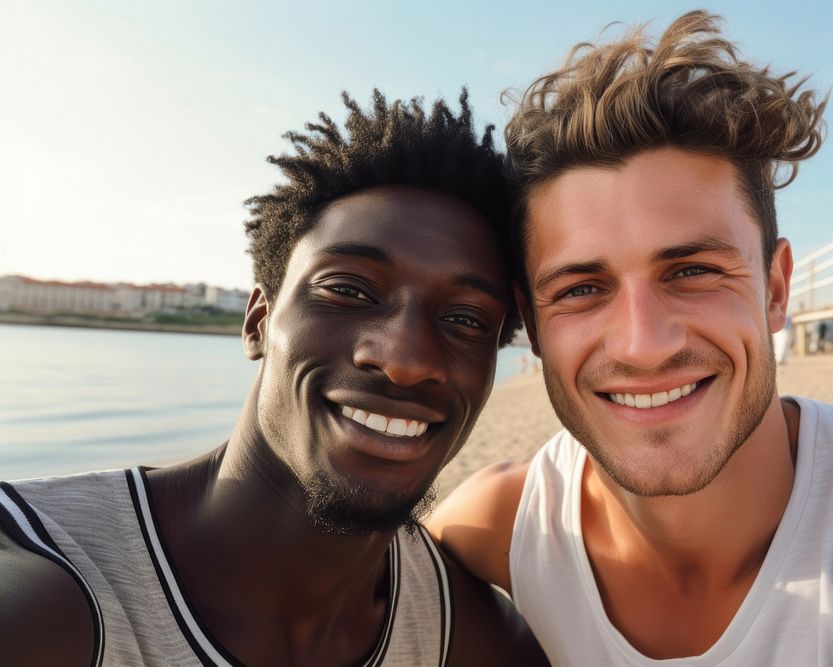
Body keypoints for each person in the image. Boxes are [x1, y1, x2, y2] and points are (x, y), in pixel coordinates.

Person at [429, 11, 833, 666]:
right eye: (582, 289)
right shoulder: (503, 526)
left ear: (775, 289)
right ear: (532, 326)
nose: (643, 344)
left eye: (693, 271)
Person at [0, 90, 545, 666]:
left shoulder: (468, 634)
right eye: (347, 290)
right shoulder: (45, 589)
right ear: (258, 322)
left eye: (466, 319)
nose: (405, 360)